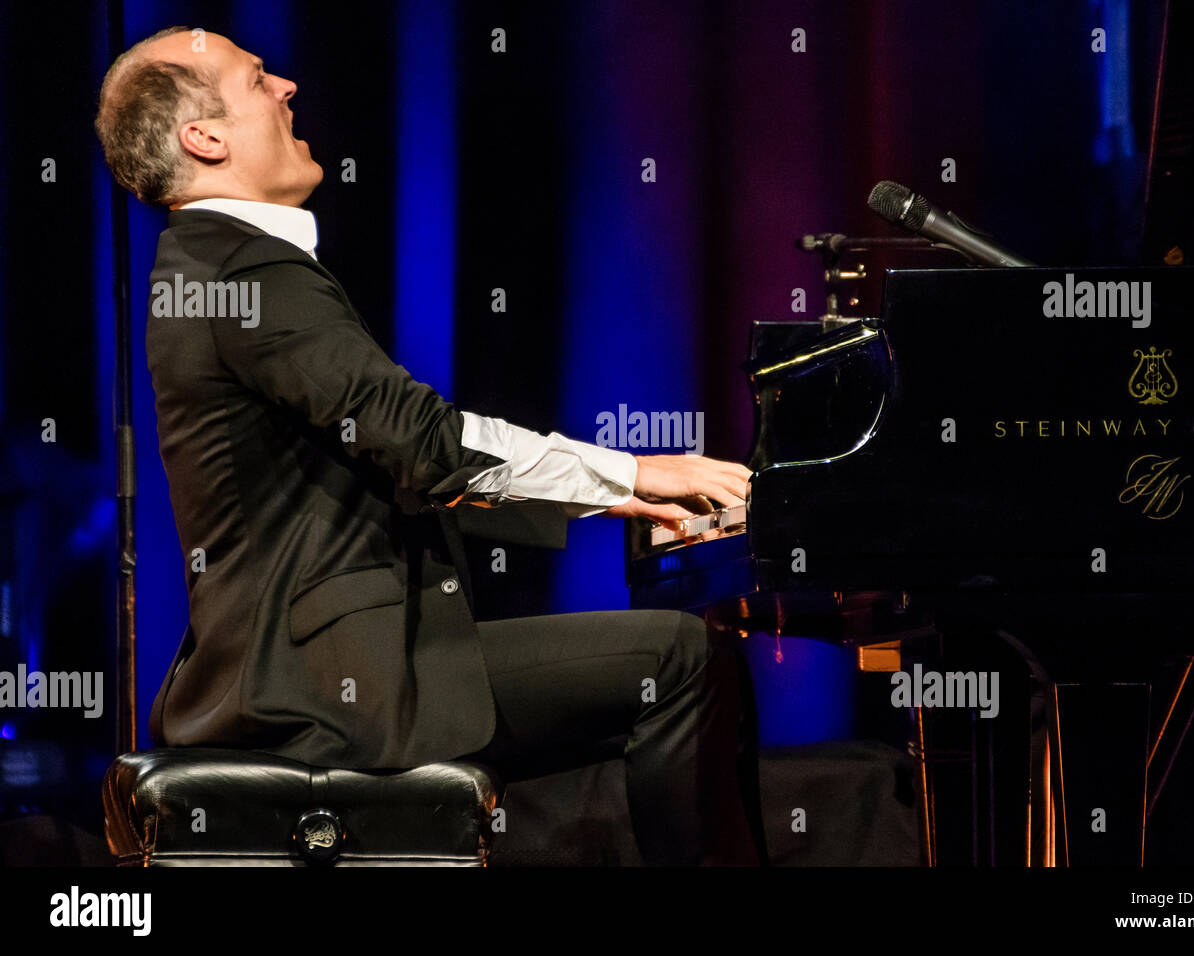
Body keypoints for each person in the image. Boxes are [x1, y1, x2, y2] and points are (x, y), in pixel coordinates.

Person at [94, 25, 765, 865]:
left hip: (301, 673)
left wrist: (615, 497)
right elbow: (423, 441)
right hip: (322, 692)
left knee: (655, 678)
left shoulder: (212, 267)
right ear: (206, 137)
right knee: (681, 660)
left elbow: (386, 465)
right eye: (258, 77)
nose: (289, 87)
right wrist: (632, 468)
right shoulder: (243, 275)